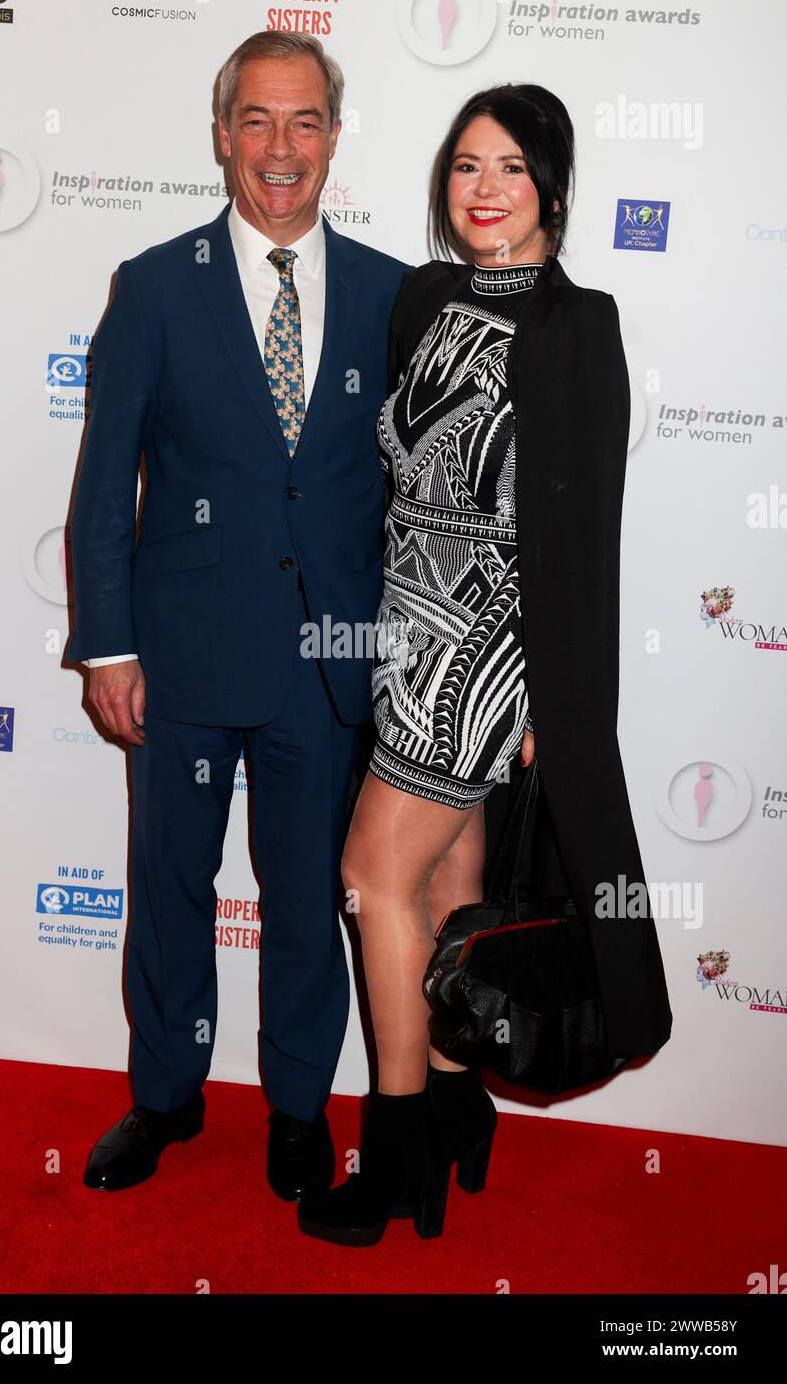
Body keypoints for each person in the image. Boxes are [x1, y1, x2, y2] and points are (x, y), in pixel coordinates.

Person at [298, 84, 673, 1247]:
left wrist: (548, 705)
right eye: (465, 166)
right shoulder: (424, 298)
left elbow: (579, 541)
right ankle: (461, 1112)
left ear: (551, 187)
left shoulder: (580, 328)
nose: (483, 190)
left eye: (509, 168)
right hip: (402, 629)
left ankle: (395, 1153)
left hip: (487, 652)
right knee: (448, 885)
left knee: (370, 877)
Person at [65, 31, 409, 1197]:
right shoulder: (154, 286)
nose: (278, 148)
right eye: (255, 120)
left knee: (310, 896)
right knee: (169, 886)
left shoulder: (389, 295)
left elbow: (413, 495)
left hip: (328, 659)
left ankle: (300, 1107)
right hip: (179, 656)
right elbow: (107, 481)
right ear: (220, 134)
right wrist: (107, 641)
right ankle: (163, 1098)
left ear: (332, 138)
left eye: (303, 121)